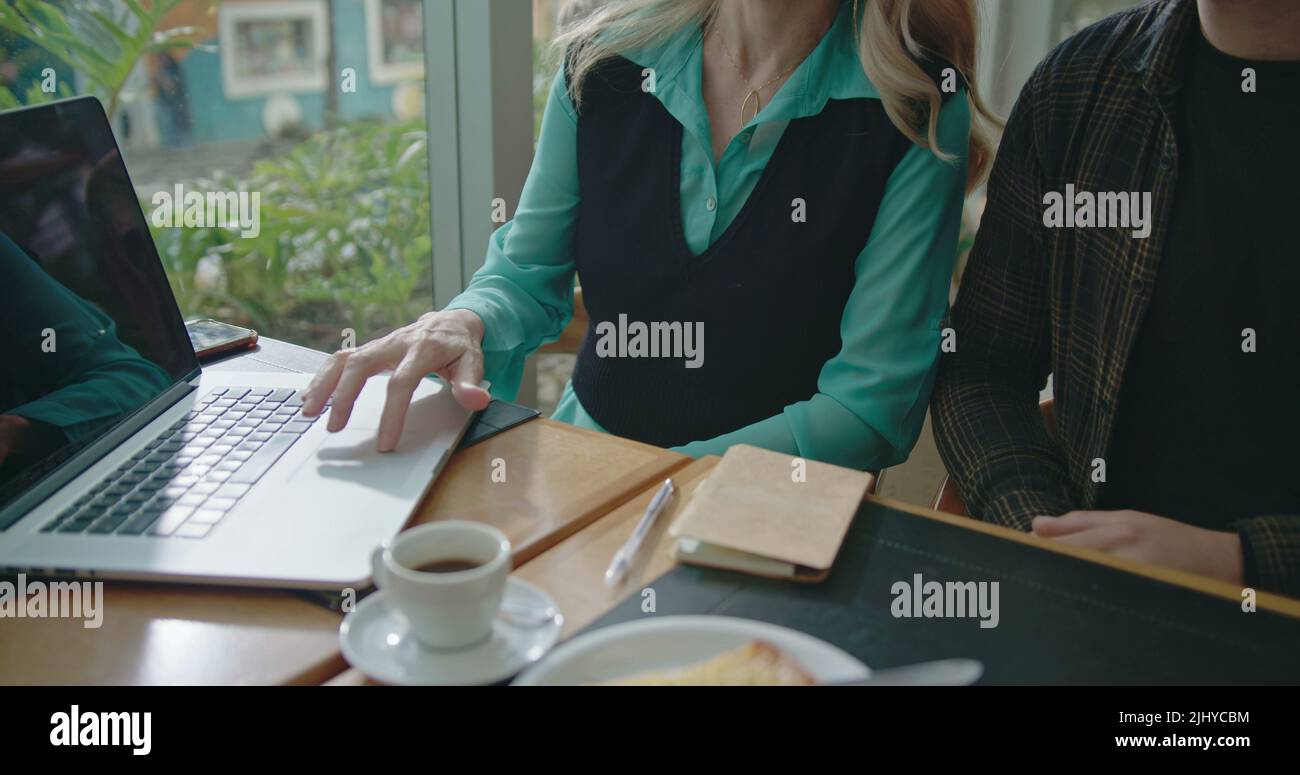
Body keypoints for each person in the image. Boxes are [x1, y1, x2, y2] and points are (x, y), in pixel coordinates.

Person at [303, 0, 998, 471]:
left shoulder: (917, 110)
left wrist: (652, 481)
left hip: (762, 520)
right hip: (584, 464)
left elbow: (866, 410)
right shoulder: (605, 53)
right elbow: (524, 276)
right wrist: (462, 319)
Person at [931, 0, 1300, 595]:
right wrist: (1040, 528)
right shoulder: (1079, 86)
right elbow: (984, 367)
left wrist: (1238, 561)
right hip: (1085, 603)